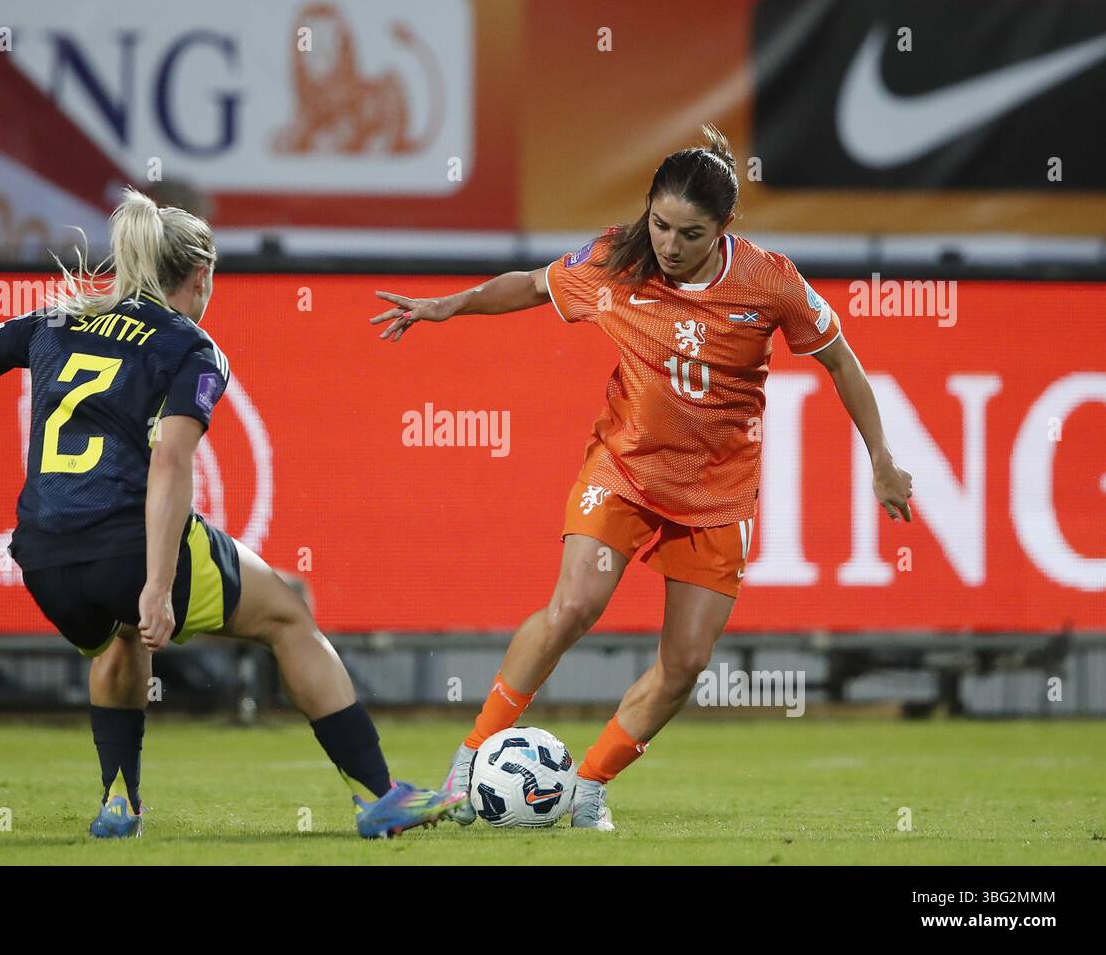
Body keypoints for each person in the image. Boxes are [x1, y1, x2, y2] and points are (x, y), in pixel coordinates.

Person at [368, 125, 914, 830]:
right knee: (573, 607)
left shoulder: (770, 281)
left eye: (689, 232)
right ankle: (470, 758)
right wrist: (452, 305)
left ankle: (590, 784)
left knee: (685, 665)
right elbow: (532, 285)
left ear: (724, 229)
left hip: (717, 495)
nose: (669, 243)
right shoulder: (618, 261)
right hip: (623, 470)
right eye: (660, 223)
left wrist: (881, 458)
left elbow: (842, 360)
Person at [0, 187, 466, 840]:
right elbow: (170, 464)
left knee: (119, 637)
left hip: (43, 553)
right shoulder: (189, 346)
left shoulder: (58, 320)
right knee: (287, 614)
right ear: (201, 275)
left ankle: (119, 806)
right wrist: (158, 586)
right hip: (122, 539)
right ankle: (380, 795)